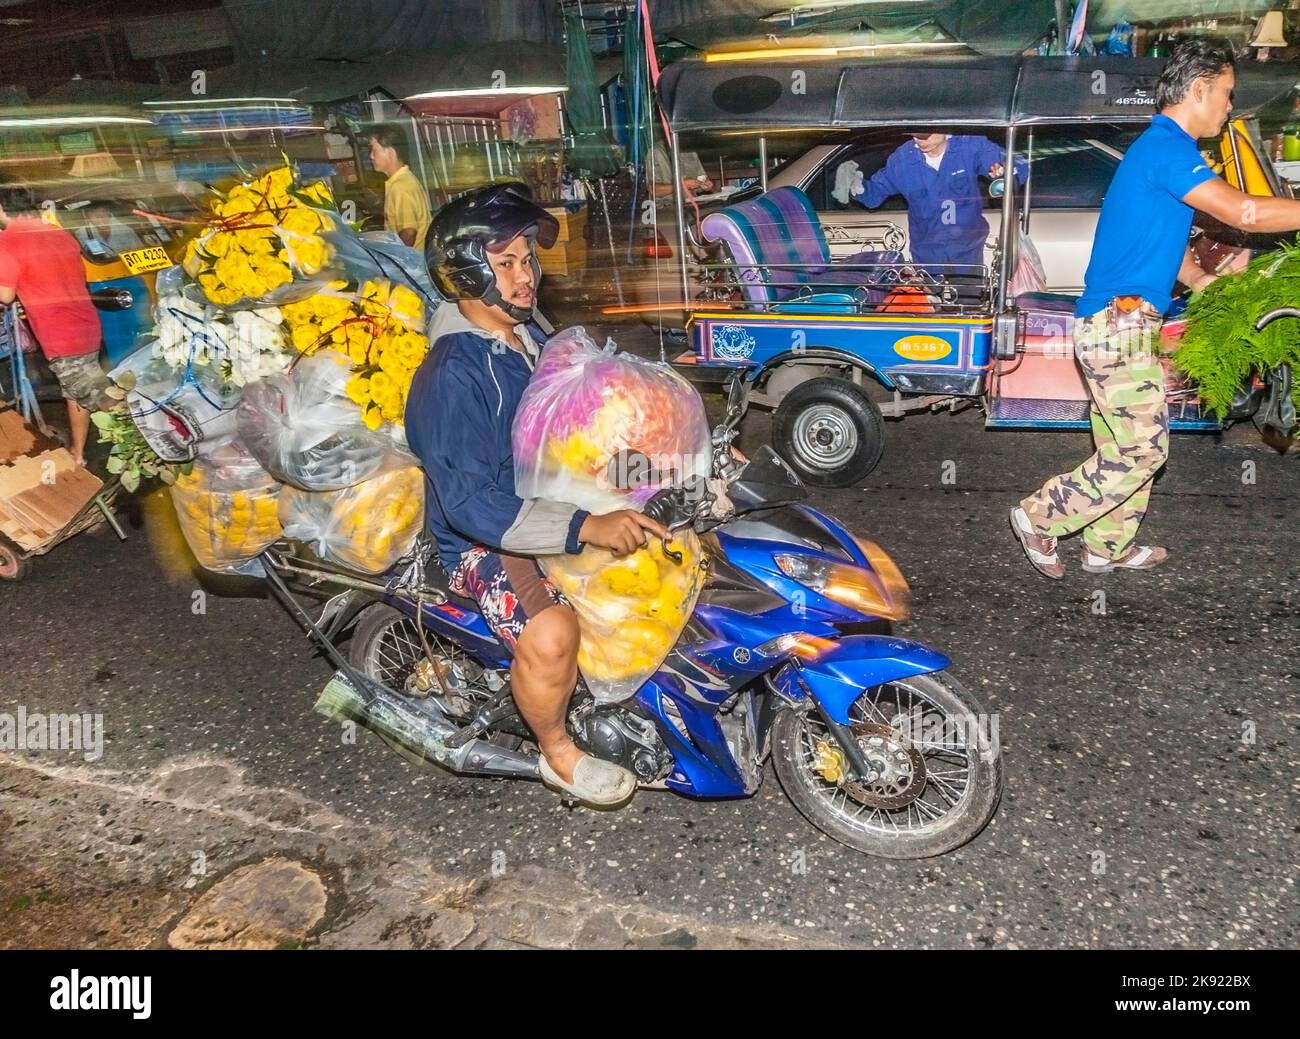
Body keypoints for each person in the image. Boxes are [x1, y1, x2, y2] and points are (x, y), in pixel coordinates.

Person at [405, 185, 667, 807]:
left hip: (550, 494)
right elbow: (470, 500)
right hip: (483, 532)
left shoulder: (529, 336)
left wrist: (669, 453)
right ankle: (559, 752)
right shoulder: (454, 373)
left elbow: (580, 421)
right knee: (551, 633)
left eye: (528, 261)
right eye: (508, 265)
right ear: (468, 274)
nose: (526, 278)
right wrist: (584, 527)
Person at [1011, 38, 1300, 579]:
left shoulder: (1166, 151)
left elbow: (1163, 246)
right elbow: (1243, 211)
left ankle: (1106, 547)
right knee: (1144, 449)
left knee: (1129, 441)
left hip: (1125, 324)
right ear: (1200, 88)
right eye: (1228, 94)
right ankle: (1040, 515)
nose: (1230, 106)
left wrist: (1203, 279)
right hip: (1114, 325)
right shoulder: (1166, 147)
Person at [0, 184, 107, 465]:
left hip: (61, 334)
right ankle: (79, 455)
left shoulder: (8, 242)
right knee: (76, 394)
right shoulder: (58, 232)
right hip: (87, 324)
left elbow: (5, 295)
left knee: (99, 399)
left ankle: (153, 431)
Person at [845, 132, 1027, 271]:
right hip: (927, 255)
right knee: (930, 315)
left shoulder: (971, 146)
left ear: (943, 127)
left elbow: (1021, 164)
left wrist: (1006, 172)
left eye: (926, 135)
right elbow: (873, 196)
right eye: (915, 134)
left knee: (969, 309)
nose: (919, 140)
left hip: (968, 252)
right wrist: (855, 187)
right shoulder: (902, 160)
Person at [367, 126, 432, 251]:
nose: (371, 156)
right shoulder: (401, 180)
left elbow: (409, 233)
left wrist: (395, 259)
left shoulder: (400, 187)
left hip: (413, 265)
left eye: (374, 150)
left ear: (390, 153)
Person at [649, 141, 713, 199]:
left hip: (692, 202)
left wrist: (705, 185)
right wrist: (681, 185)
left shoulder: (690, 150)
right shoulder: (656, 152)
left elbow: (701, 179)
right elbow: (653, 190)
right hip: (667, 206)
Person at [78, 201, 143, 257]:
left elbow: (140, 252)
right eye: (95, 215)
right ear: (88, 218)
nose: (101, 218)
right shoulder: (82, 235)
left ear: (109, 214)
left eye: (103, 213)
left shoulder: (124, 230)